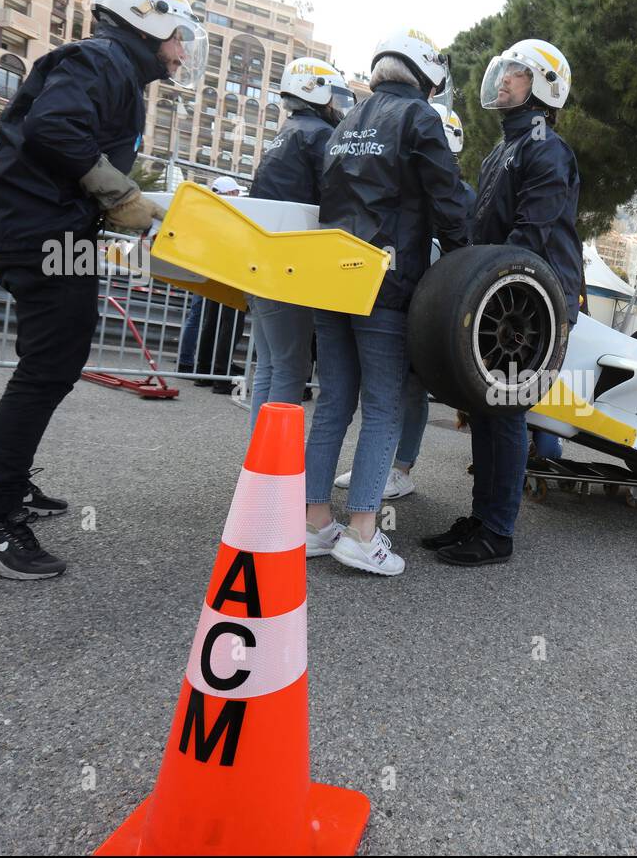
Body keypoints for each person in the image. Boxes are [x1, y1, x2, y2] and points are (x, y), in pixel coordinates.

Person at [0, 0, 207, 580]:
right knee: (48, 368)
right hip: (43, 235)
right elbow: (53, 127)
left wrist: (121, 199)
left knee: (49, 362)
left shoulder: (112, 65)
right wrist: (116, 193)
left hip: (45, 230)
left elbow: (68, 139)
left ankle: (3, 491)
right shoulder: (104, 60)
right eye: (176, 37)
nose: (178, 51)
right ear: (147, 20)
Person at [303, 28, 470, 575]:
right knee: (383, 409)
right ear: (424, 75)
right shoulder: (420, 118)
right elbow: (447, 199)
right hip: (386, 284)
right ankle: (361, 532)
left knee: (332, 404)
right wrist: (467, 256)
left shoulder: (347, 119)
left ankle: (312, 524)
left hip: (333, 277)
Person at [422, 38, 581, 567]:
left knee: (507, 409)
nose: (505, 79)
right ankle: (481, 518)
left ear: (543, 87)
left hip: (534, 304)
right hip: (505, 294)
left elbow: (529, 236)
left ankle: (497, 531)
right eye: (506, 71)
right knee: (485, 408)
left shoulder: (547, 149)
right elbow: (482, 230)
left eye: (518, 73)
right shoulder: (501, 149)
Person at [334, 103, 475, 498]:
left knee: (410, 389)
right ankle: (379, 469)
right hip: (403, 297)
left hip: (431, 305)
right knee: (386, 391)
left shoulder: (460, 195)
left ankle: (401, 468)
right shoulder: (406, 183)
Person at [246, 58, 354, 427]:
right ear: (318, 91)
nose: (338, 107)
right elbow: (337, 197)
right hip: (289, 266)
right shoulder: (319, 136)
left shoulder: (287, 132)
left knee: (269, 366)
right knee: (291, 369)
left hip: (260, 261)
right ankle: (271, 469)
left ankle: (256, 462)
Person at [177, 175, 241, 375]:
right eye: (235, 192)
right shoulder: (222, 213)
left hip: (204, 267)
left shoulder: (207, 211)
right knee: (205, 318)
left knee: (200, 317)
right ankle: (195, 363)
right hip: (213, 269)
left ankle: (192, 362)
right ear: (229, 193)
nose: (238, 195)